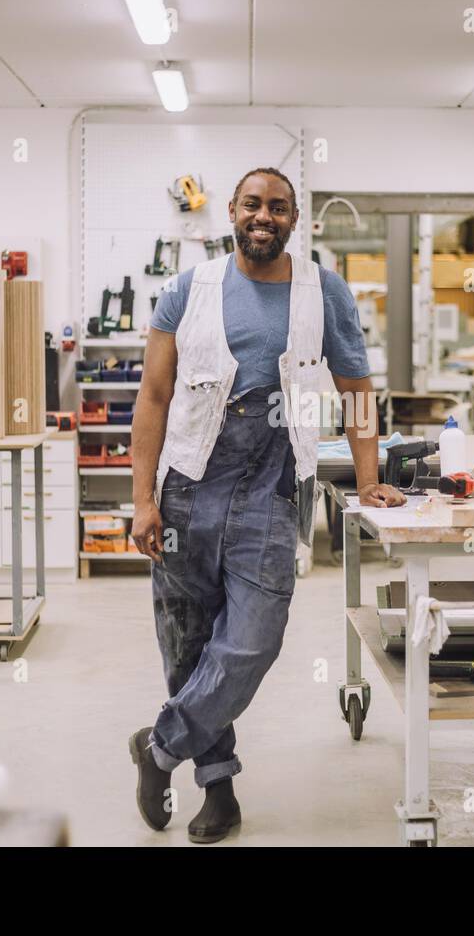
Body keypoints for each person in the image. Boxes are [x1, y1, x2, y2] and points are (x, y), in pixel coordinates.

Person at [127, 166, 406, 843]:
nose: (264, 216)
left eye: (277, 207)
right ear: (231, 211)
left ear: (293, 218)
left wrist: (367, 480)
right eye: (253, 204)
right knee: (189, 645)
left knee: (253, 638)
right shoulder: (186, 290)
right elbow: (154, 399)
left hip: (274, 487)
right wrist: (142, 501)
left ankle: (159, 747)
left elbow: (357, 392)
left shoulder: (324, 291)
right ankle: (217, 791)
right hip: (189, 484)